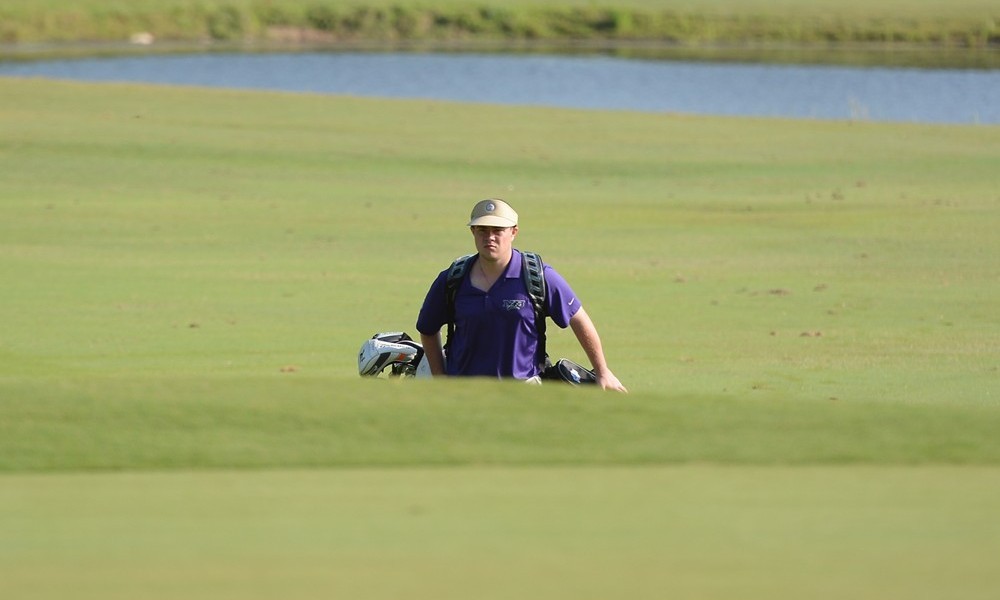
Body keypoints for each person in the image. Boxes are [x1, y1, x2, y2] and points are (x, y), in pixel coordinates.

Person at [416, 198, 627, 392]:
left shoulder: (539, 277)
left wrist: (602, 371)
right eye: (482, 230)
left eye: (498, 230)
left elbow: (579, 318)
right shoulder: (453, 279)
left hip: (523, 391)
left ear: (514, 232)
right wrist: (441, 378)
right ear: (473, 232)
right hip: (464, 391)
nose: (489, 237)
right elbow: (427, 328)